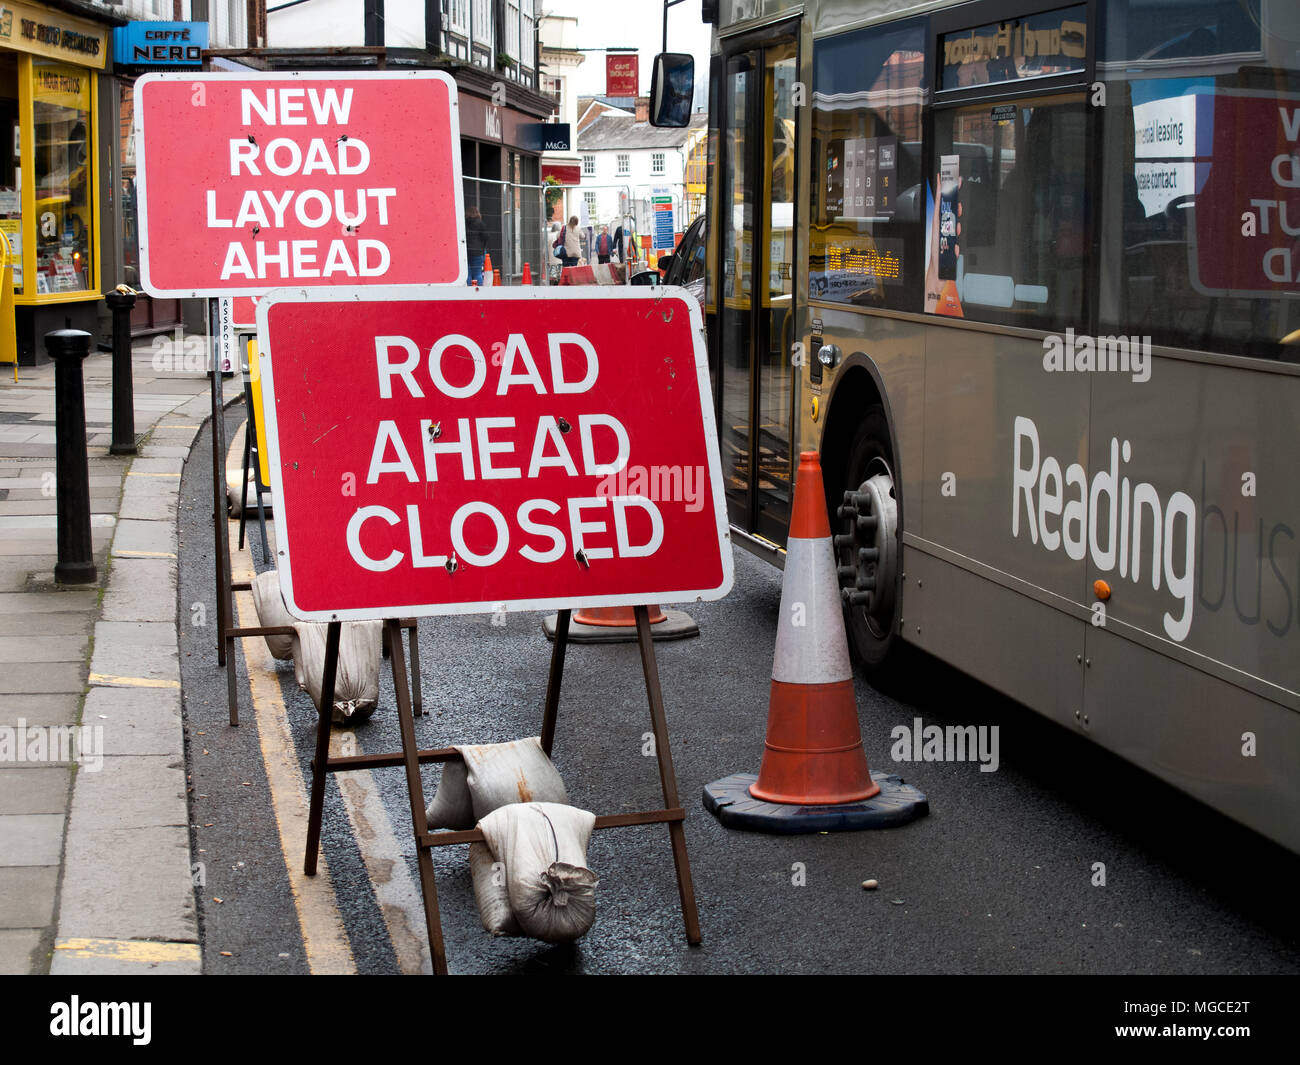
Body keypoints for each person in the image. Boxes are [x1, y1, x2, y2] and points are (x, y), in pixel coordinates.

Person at [465, 205, 488, 286]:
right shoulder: (480, 223)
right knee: (477, 273)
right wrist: (482, 247)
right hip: (478, 252)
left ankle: (468, 291)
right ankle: (478, 292)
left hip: (466, 252)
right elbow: (485, 237)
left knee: (467, 274)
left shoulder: (464, 223)